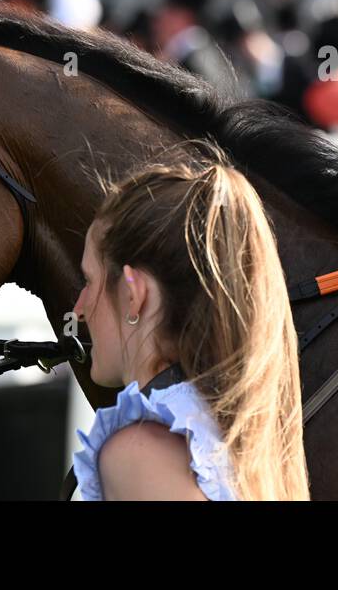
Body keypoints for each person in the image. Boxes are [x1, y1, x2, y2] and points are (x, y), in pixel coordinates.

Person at [71, 140, 308, 500]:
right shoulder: (231, 443)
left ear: (134, 294)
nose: (79, 308)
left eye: (89, 281)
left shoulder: (140, 453)